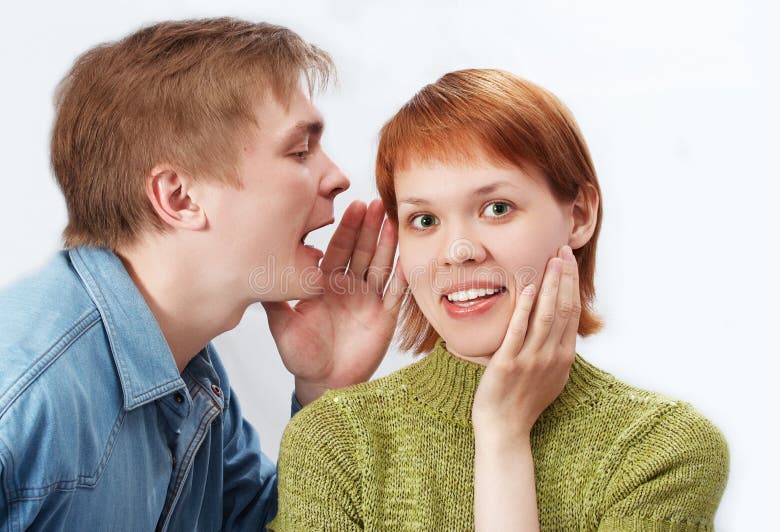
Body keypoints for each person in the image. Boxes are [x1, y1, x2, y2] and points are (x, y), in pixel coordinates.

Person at [269, 69, 729, 530]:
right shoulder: (333, 442)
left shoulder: (661, 450)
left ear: (580, 215)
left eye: (497, 208)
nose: (458, 250)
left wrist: (504, 436)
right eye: (425, 220)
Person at [0, 18, 408, 531]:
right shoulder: (21, 398)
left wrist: (323, 394)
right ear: (180, 198)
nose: (338, 177)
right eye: (300, 151)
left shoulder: (191, 369)